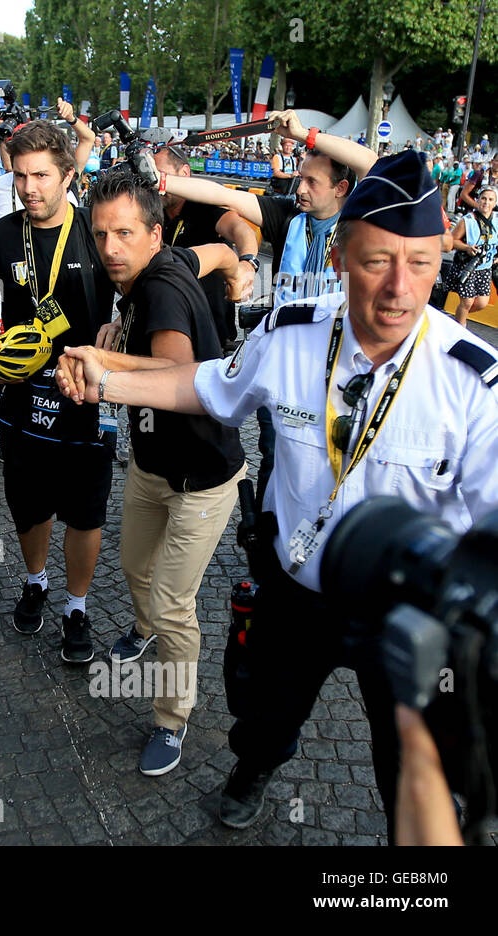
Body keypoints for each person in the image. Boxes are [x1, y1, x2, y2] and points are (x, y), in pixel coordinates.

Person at [57, 151, 498, 834]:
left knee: (413, 771)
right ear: (343, 254)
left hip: (411, 616)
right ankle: (254, 768)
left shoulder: (473, 381)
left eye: (422, 263)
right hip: (297, 594)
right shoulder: (291, 332)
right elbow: (207, 387)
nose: (400, 290)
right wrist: (106, 380)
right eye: (379, 261)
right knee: (265, 715)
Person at [85, 170, 249, 775]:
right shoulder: (172, 256)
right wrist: (238, 264)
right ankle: (144, 627)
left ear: (154, 234)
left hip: (203, 478)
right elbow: (215, 251)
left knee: (176, 601)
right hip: (153, 466)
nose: (110, 250)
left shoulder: (158, 292)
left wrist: (102, 361)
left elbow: (176, 369)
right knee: (134, 566)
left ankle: (171, 719)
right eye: (101, 235)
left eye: (124, 234)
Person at [160, 109, 375, 505]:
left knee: (334, 465)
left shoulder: (360, 220)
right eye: (299, 177)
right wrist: (162, 180)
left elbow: (373, 163)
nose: (300, 188)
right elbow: (226, 196)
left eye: (312, 181)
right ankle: (267, 542)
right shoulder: (288, 217)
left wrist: (307, 135)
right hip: (286, 363)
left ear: (342, 188)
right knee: (274, 456)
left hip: (341, 368)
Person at [0, 120, 116, 662]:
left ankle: (77, 606)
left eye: (43, 175)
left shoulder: (97, 234)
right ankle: (36, 580)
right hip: (23, 395)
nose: (30, 187)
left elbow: (132, 292)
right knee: (28, 504)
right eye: (21, 174)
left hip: (87, 393)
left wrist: (113, 338)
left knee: (86, 510)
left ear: (69, 175)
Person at [154, 144, 260, 353]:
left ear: (184, 173)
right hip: (168, 323)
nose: (156, 184)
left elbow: (240, 229)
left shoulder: (204, 205)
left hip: (210, 331)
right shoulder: (155, 210)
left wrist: (248, 263)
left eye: (162, 176)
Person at [444, 185, 498, 327]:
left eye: (490, 199)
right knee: (466, 302)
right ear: (477, 200)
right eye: (483, 198)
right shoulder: (468, 220)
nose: (486, 202)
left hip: (485, 268)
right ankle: (459, 332)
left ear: (495, 203)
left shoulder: (497, 220)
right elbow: (451, 241)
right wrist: (467, 247)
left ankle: (455, 320)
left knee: (481, 303)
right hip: (467, 267)